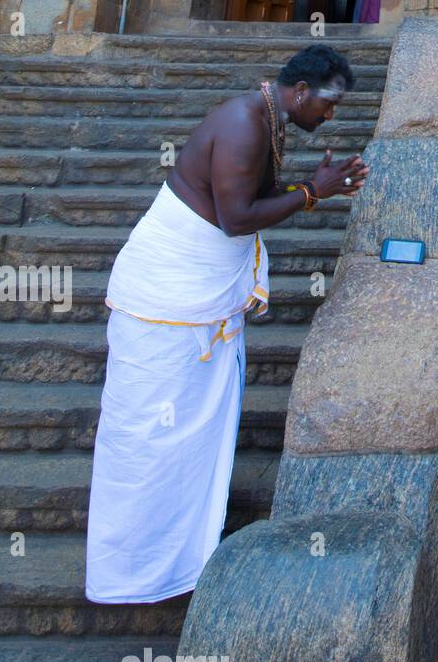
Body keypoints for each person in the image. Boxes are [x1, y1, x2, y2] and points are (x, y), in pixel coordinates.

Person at [85, 44, 369, 605]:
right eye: (329, 105)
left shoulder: (265, 118)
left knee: (183, 439)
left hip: (184, 305)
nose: (330, 116)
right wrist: (315, 192)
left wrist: (309, 186)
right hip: (165, 307)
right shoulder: (244, 122)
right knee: (150, 439)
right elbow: (236, 217)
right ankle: (134, 572)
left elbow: (250, 197)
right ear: (302, 92)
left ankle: (179, 561)